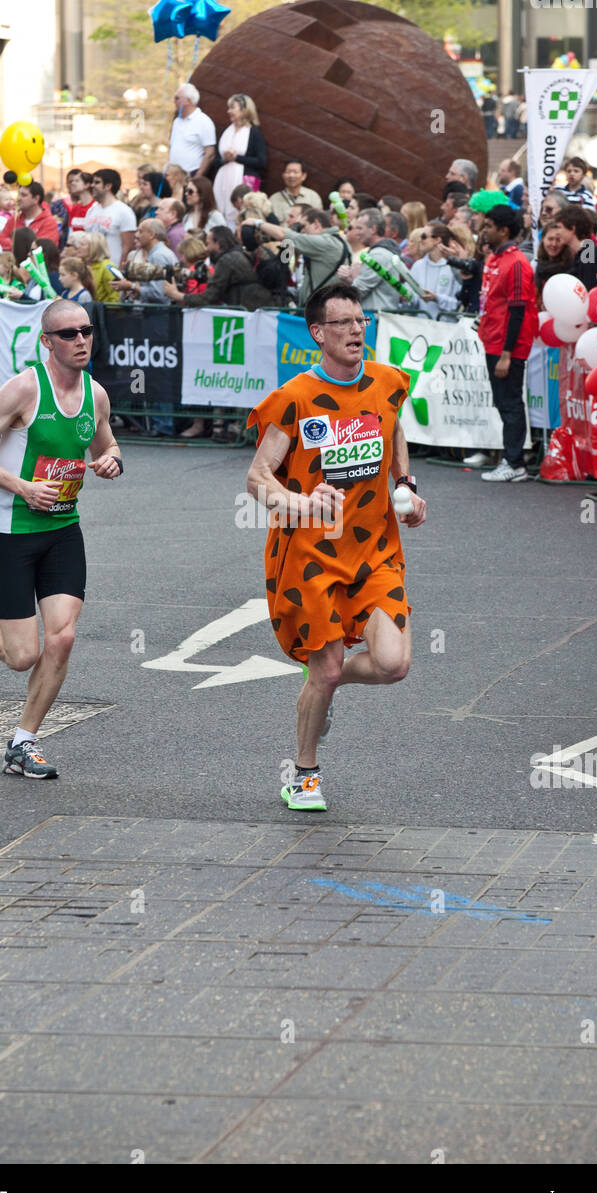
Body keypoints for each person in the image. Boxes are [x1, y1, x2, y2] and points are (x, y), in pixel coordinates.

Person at [245, 280, 426, 812]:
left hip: (373, 551)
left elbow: (393, 435)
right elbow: (257, 479)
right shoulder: (294, 398)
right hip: (310, 558)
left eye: (361, 320)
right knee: (321, 671)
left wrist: (407, 488)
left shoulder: (389, 382)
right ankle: (304, 775)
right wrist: (299, 503)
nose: (356, 330)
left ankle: (323, 683)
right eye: (344, 322)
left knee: (394, 664)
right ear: (318, 333)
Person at [0, 299, 123, 781]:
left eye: (86, 331)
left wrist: (111, 461)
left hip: (63, 529)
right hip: (15, 531)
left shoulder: (96, 394)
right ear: (48, 341)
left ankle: (24, 742)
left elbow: (107, 444)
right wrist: (22, 487)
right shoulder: (23, 390)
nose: (81, 340)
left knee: (62, 637)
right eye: (69, 334)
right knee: (23, 656)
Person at [477, 204, 539, 483]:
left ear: (504, 230)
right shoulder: (495, 258)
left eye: (489, 225)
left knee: (511, 403)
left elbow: (518, 310)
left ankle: (514, 463)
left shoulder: (516, 263)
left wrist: (507, 354)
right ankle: (511, 459)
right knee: (503, 402)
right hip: (493, 340)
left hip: (507, 346)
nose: (484, 230)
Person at [250, 204, 350, 306]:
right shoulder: (336, 241)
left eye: (303, 226)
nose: (301, 231)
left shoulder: (325, 243)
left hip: (323, 308)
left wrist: (256, 222)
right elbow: (283, 263)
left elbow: (282, 235)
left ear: (316, 224)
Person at [162, 224, 275, 311]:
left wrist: (177, 295)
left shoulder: (227, 260)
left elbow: (209, 296)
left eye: (208, 243)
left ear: (218, 243)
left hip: (250, 312)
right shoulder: (239, 254)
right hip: (259, 308)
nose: (206, 248)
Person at [338, 208, 413, 312]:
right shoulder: (378, 252)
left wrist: (352, 276)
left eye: (360, 228)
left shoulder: (378, 255)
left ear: (373, 229)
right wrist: (351, 279)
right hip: (376, 318)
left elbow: (358, 291)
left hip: (376, 320)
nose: (358, 233)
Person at [213, 93, 267, 226]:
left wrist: (237, 157)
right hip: (223, 178)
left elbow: (261, 161)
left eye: (232, 108)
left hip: (242, 180)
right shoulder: (226, 132)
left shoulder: (253, 133)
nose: (229, 111)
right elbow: (215, 161)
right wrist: (225, 159)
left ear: (244, 110)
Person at [552, 204, 597, 290]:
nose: (556, 233)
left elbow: (590, 290)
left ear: (572, 228)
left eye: (559, 227)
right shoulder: (583, 252)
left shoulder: (589, 252)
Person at [412, 222, 462, 318]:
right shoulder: (417, 266)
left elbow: (458, 304)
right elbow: (412, 302)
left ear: (437, 240)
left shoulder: (454, 268)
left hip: (447, 328)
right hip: (420, 327)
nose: (420, 240)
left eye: (423, 236)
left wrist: (437, 298)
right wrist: (407, 297)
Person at [168, 82, 216, 179]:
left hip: (191, 174)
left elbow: (210, 153)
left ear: (187, 101)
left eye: (177, 98)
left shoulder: (204, 121)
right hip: (173, 175)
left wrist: (197, 177)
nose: (174, 101)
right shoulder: (177, 121)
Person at [0, 181, 59, 251]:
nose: (19, 198)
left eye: (24, 195)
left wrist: (14, 243)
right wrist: (23, 245)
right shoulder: (13, 220)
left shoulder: (49, 222)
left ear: (36, 199)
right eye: (19, 194)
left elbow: (41, 249)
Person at [270, 158, 323, 224]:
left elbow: (319, 223)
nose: (291, 175)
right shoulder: (274, 199)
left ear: (304, 176)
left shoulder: (313, 197)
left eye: (295, 172)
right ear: (283, 175)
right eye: (288, 172)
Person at [66, 169, 95, 234]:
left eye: (77, 181)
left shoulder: (95, 207)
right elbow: (71, 231)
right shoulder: (75, 208)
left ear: (86, 185)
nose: (72, 183)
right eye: (72, 181)